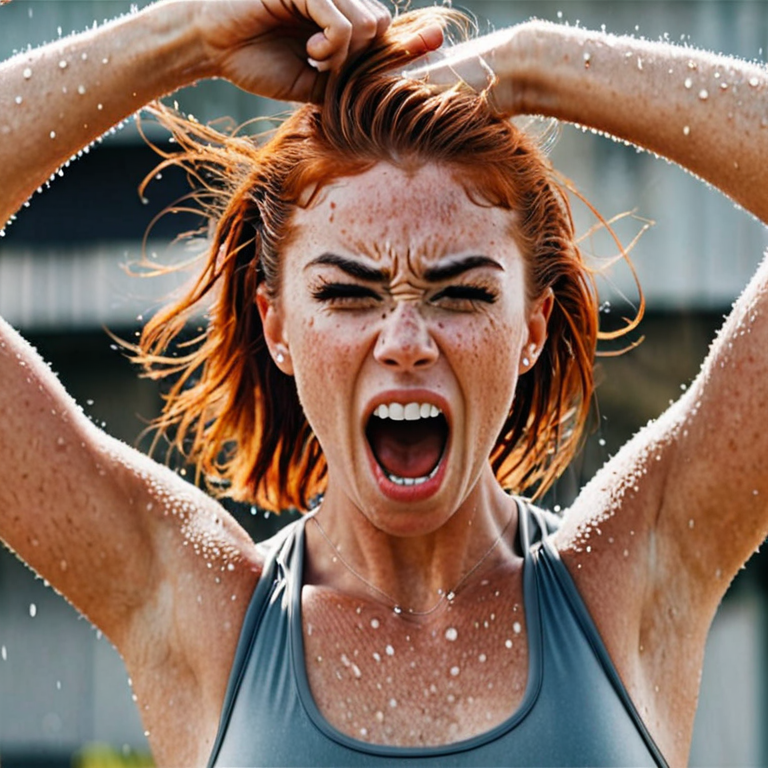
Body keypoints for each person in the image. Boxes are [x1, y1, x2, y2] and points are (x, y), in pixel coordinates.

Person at [0, 1, 766, 766]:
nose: (404, 343)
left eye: (461, 293)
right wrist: (186, 34)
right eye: (346, 293)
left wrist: (538, 65)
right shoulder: (199, 608)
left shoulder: (634, 574)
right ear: (277, 325)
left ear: (533, 326)